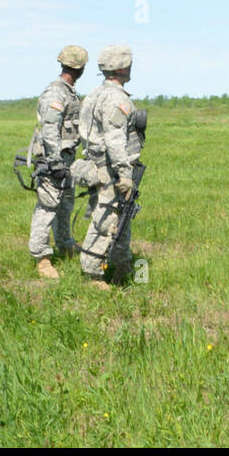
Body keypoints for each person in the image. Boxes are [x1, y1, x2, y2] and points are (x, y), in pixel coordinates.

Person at [77, 45, 144, 290]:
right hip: (112, 169)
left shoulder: (94, 94)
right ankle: (92, 274)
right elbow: (114, 139)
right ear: (123, 68)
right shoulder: (117, 100)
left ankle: (121, 265)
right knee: (105, 220)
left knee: (121, 217)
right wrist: (125, 174)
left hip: (97, 163)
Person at [28, 46, 87, 279]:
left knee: (66, 204)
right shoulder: (56, 93)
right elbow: (50, 129)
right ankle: (41, 258)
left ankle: (65, 244)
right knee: (47, 207)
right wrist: (55, 162)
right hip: (55, 160)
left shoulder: (69, 92)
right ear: (80, 68)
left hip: (67, 159)